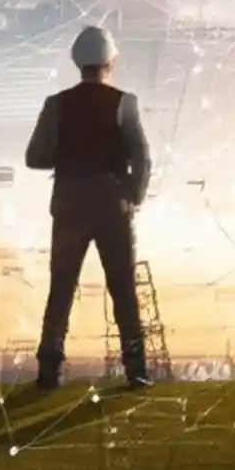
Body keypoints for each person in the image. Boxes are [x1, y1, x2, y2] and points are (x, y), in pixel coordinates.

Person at [24, 25, 153, 390]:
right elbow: (143, 158)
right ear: (111, 60)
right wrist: (133, 196)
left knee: (62, 288)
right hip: (113, 204)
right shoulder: (125, 103)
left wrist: (68, 154)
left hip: (68, 202)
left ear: (77, 62)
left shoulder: (56, 104)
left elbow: (35, 157)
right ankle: (137, 371)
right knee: (123, 289)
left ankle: (49, 369)